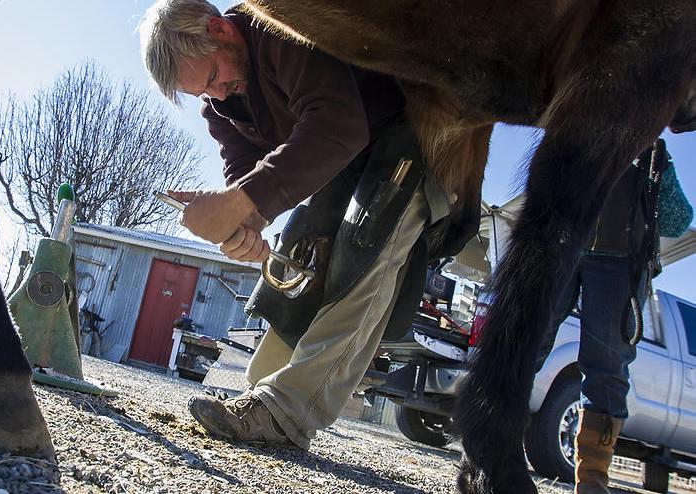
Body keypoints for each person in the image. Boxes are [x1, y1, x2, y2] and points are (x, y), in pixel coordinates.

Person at [138, 0, 460, 450]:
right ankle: (261, 394)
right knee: (299, 253)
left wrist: (238, 203)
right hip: (340, 158)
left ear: (220, 30)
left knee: (367, 247)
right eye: (204, 93)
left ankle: (288, 413)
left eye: (212, 77)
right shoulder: (222, 106)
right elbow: (245, 177)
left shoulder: (281, 25)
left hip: (409, 129)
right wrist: (243, 229)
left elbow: (339, 124)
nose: (219, 94)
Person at [539, 139, 692, 493]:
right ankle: (494, 449)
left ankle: (591, 481)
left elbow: (676, 219)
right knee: (529, 344)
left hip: (612, 259)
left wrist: (658, 169)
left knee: (598, 367)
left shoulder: (649, 150)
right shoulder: (586, 125)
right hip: (570, 246)